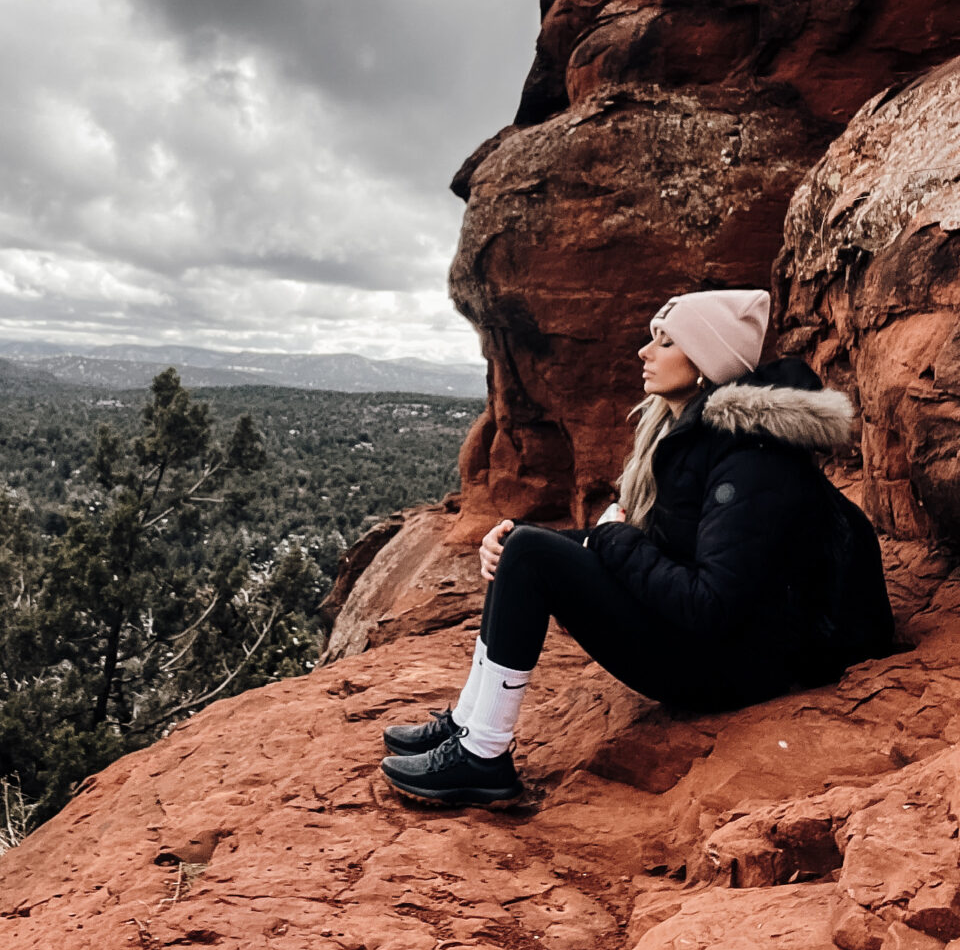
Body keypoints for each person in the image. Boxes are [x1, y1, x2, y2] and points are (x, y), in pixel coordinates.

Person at [379, 288, 894, 807]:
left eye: (665, 342)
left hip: (741, 667)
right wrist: (525, 543)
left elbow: (709, 603)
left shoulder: (753, 457)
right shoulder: (690, 435)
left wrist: (606, 537)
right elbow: (660, 544)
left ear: (704, 365)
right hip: (725, 643)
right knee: (525, 546)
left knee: (532, 555)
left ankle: (482, 758)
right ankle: (472, 721)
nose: (644, 353)